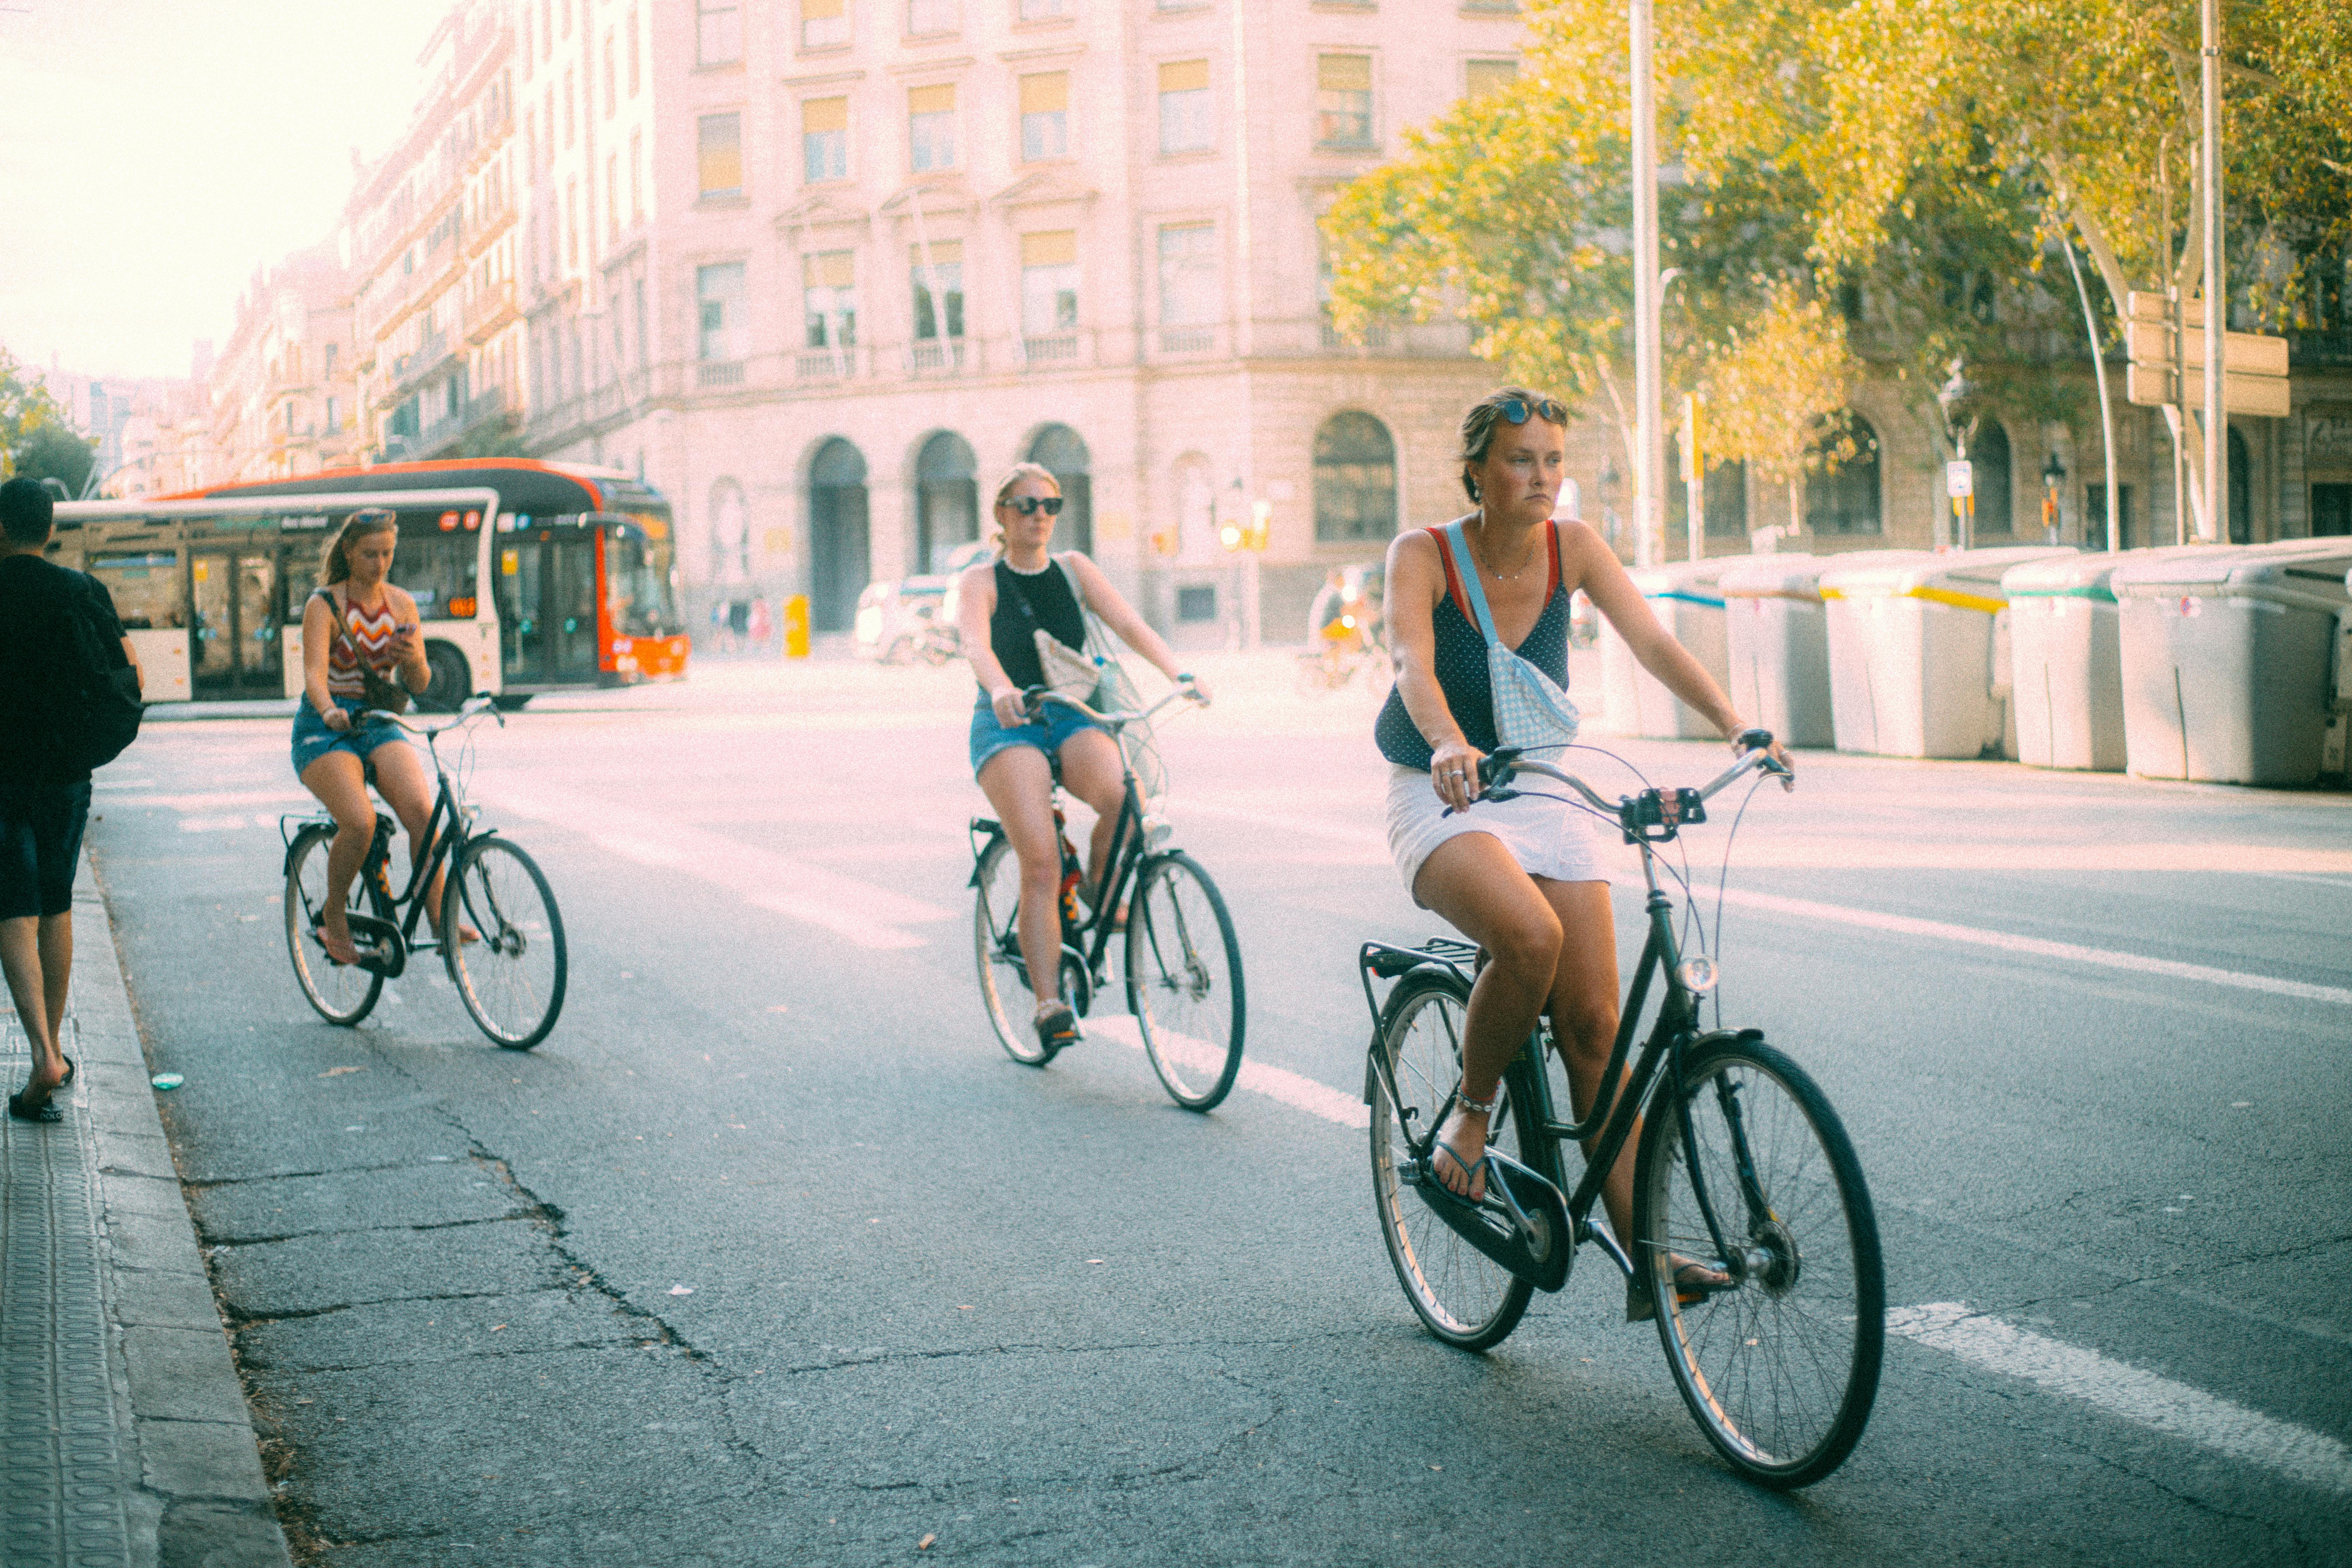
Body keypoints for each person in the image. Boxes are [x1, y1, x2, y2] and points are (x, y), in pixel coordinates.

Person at [1372, 387, 1792, 1322]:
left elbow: (1650, 641)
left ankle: (1653, 1259)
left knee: (1597, 1027)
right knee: (1528, 939)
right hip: (1439, 793)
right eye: (1521, 461)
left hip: (1544, 791)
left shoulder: (1576, 549)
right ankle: (1472, 1120)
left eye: (1553, 461)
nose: (1541, 478)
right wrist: (1446, 744)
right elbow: (1414, 664)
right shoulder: (1424, 554)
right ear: (1477, 470)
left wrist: (1737, 728)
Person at [956, 462, 1206, 1054]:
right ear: (1001, 515)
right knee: (1040, 863)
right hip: (1008, 722)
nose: (1040, 515)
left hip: (1074, 712)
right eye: (1026, 505)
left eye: (1051, 505)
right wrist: (999, 689)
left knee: (1127, 799)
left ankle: (1096, 886)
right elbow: (975, 642)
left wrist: (1180, 672)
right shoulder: (981, 580)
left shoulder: (1074, 571)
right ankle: (1048, 1005)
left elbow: (1126, 622)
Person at [1, 476, 138, 1122]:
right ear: (50, 527)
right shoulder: (84, 591)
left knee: (12, 909)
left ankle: (41, 1056)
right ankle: (54, 1046)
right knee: (56, 904)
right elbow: (130, 673)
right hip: (66, 772)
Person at [292, 508, 448, 967]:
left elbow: (418, 685)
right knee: (358, 823)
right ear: (348, 552)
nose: (380, 564)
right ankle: (334, 913)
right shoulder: (325, 605)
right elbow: (314, 677)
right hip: (325, 728)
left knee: (422, 813)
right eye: (370, 554)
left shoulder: (401, 605)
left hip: (379, 722)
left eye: (387, 554)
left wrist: (414, 659)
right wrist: (330, 711)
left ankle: (440, 921)